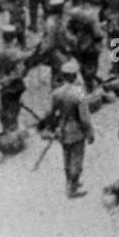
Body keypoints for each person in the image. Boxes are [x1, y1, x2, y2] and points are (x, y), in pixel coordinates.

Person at [41, 60, 95, 198]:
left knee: (66, 157)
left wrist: (51, 127)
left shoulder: (56, 93)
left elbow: (49, 113)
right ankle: (73, 187)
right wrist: (90, 132)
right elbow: (85, 118)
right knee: (77, 159)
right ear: (74, 76)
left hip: (63, 128)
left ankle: (69, 182)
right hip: (76, 130)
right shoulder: (79, 93)